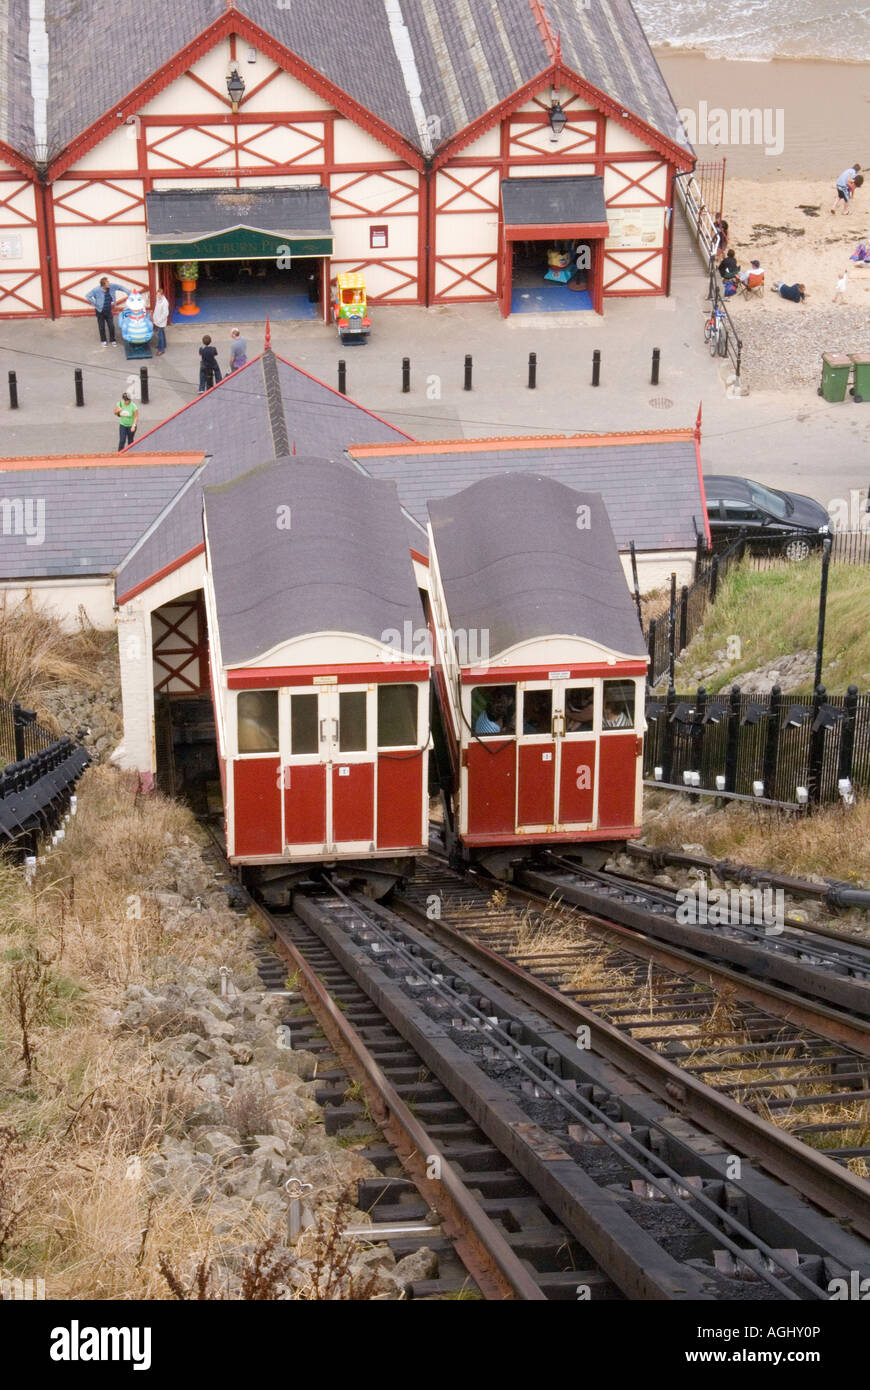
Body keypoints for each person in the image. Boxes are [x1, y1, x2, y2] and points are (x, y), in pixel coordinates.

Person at [85, 276, 128, 346]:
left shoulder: (112, 286)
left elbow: (120, 287)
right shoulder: (96, 289)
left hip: (108, 310)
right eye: (107, 283)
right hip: (100, 311)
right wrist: (94, 304)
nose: (109, 284)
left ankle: (112, 340)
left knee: (111, 326)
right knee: (101, 326)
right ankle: (103, 341)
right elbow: (88, 296)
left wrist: (128, 292)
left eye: (108, 282)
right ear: (103, 285)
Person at [152, 289, 169, 354]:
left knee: (160, 335)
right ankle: (163, 345)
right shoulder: (158, 299)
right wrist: (154, 317)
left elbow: (165, 313)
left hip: (161, 321)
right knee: (162, 333)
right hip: (157, 319)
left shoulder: (165, 302)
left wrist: (159, 320)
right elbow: (156, 309)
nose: (157, 296)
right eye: (157, 294)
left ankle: (161, 350)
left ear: (162, 295)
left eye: (159, 295)